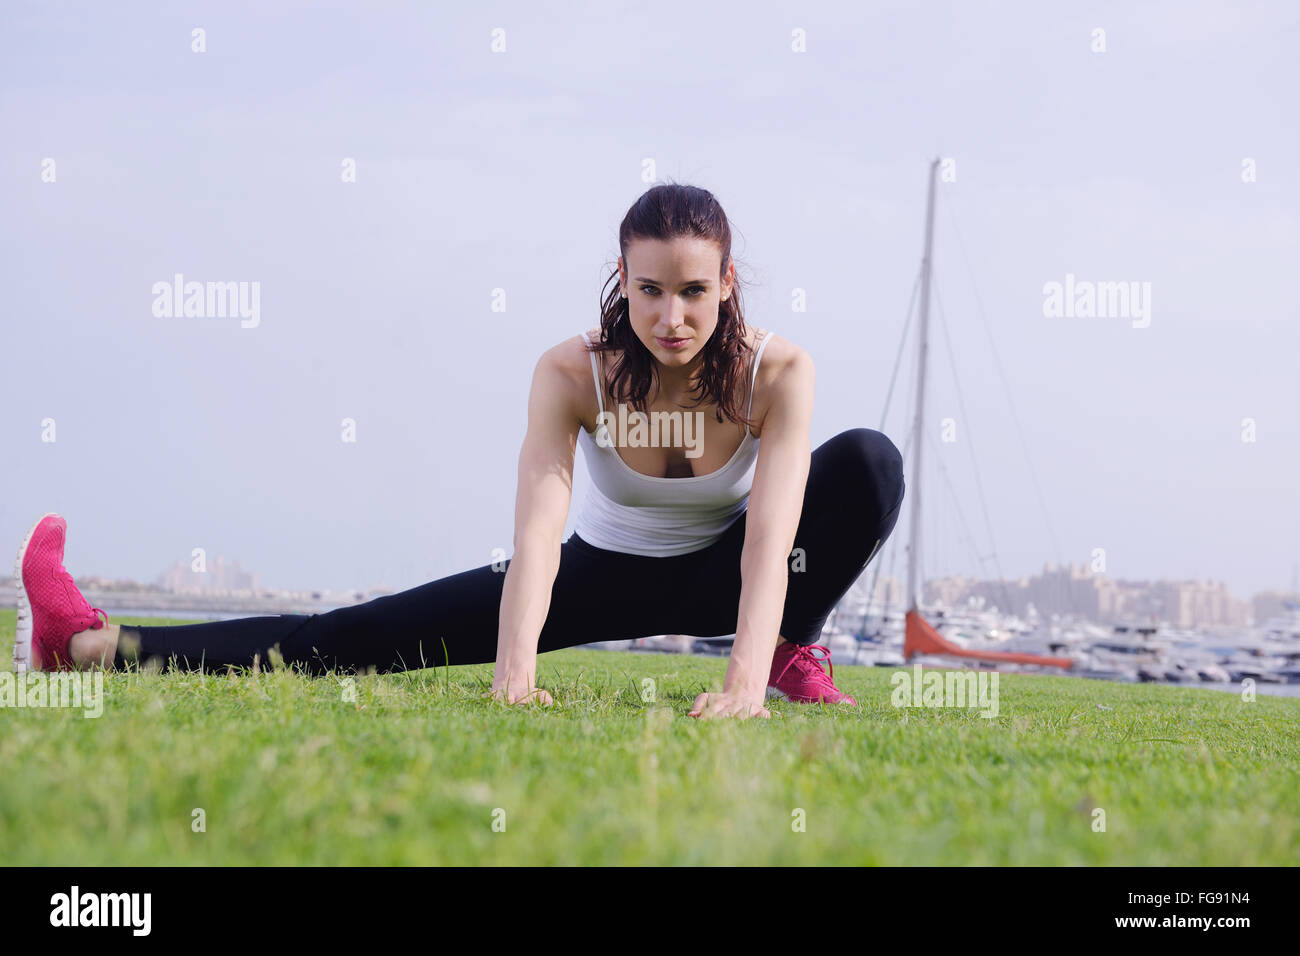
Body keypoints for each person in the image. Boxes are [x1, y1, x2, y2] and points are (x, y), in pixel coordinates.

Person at [13, 183, 904, 721]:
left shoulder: (774, 372)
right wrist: (514, 674)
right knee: (355, 636)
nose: (674, 318)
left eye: (696, 292)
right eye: (652, 290)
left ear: (728, 284)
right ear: (621, 282)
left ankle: (793, 650)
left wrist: (745, 680)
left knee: (869, 462)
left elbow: (769, 539)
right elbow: (539, 537)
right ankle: (88, 647)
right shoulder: (570, 374)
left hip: (728, 572)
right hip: (595, 575)